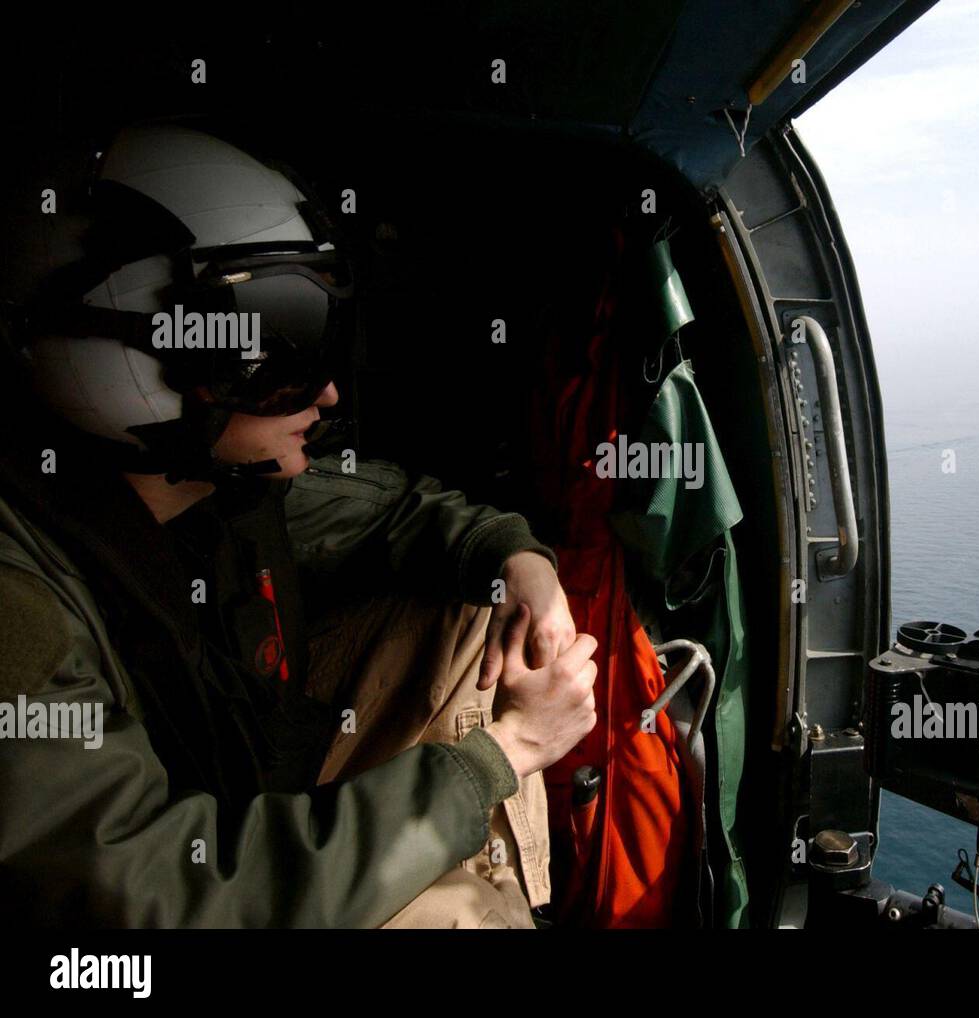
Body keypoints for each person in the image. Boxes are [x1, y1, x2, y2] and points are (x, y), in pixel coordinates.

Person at [0, 123, 598, 927]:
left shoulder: (227, 490)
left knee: (477, 609)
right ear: (130, 370)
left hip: (246, 778)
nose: (325, 400)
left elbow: (405, 514)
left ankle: (477, 886)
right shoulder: (20, 600)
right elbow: (149, 901)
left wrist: (522, 563)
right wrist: (510, 754)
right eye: (274, 359)